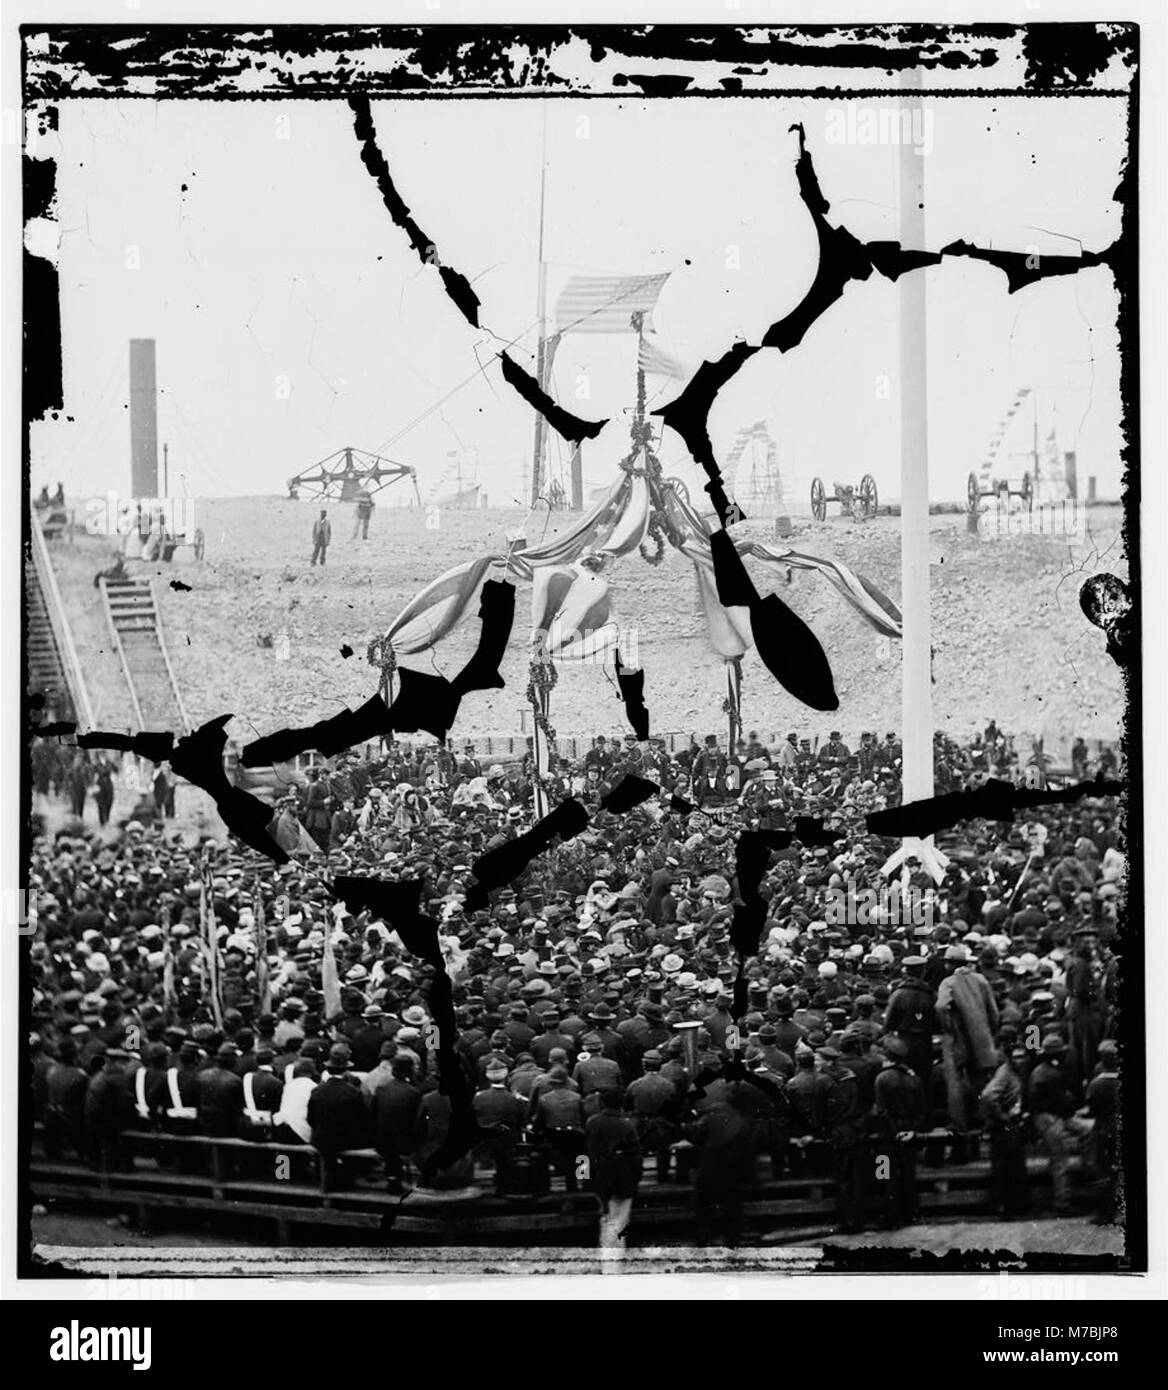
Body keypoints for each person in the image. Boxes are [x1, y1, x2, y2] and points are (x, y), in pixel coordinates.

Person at [870, 1036, 926, 1230]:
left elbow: (880, 1111)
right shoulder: (914, 1078)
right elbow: (921, 1110)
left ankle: (891, 1216)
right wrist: (911, 1131)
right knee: (908, 1174)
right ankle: (911, 1213)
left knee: (885, 1175)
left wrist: (894, 1132)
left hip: (887, 1137)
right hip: (908, 1134)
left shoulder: (882, 1078)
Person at [584, 1088, 642, 1252]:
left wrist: (584, 1178)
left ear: (602, 1103)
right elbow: (636, 1157)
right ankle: (614, 1261)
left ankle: (607, 1257)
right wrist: (636, 1179)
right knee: (620, 1221)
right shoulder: (626, 1125)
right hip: (622, 1178)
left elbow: (584, 1152)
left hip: (599, 1177)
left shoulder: (592, 1123)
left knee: (606, 1217)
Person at [979, 1045, 1030, 1218]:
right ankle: (1003, 1207)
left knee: (1014, 1166)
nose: (1019, 1060)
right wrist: (1002, 1115)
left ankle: (1016, 1205)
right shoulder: (1005, 1072)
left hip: (1013, 1123)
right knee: (1005, 1168)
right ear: (1009, 1058)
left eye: (1022, 1056)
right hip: (1004, 1127)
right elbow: (988, 1095)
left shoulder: (1017, 1072)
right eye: (1016, 1056)